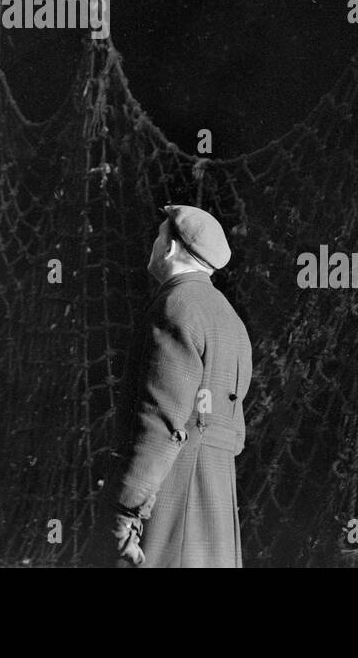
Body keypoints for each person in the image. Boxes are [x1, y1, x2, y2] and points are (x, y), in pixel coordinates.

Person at [102, 205, 253, 567]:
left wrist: (126, 510)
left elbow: (161, 424)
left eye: (158, 237)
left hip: (170, 503)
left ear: (169, 248)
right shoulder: (231, 319)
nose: (154, 245)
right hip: (216, 508)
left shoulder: (175, 306)